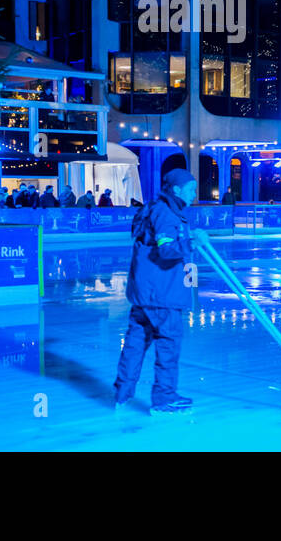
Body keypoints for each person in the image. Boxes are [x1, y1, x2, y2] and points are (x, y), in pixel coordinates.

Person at [113, 168, 198, 414]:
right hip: (162, 294)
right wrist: (192, 243)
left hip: (146, 293)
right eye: (190, 189)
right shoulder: (166, 214)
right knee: (168, 344)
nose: (194, 194)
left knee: (135, 342)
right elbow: (167, 250)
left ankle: (122, 392)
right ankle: (164, 397)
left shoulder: (156, 208)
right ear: (177, 189)